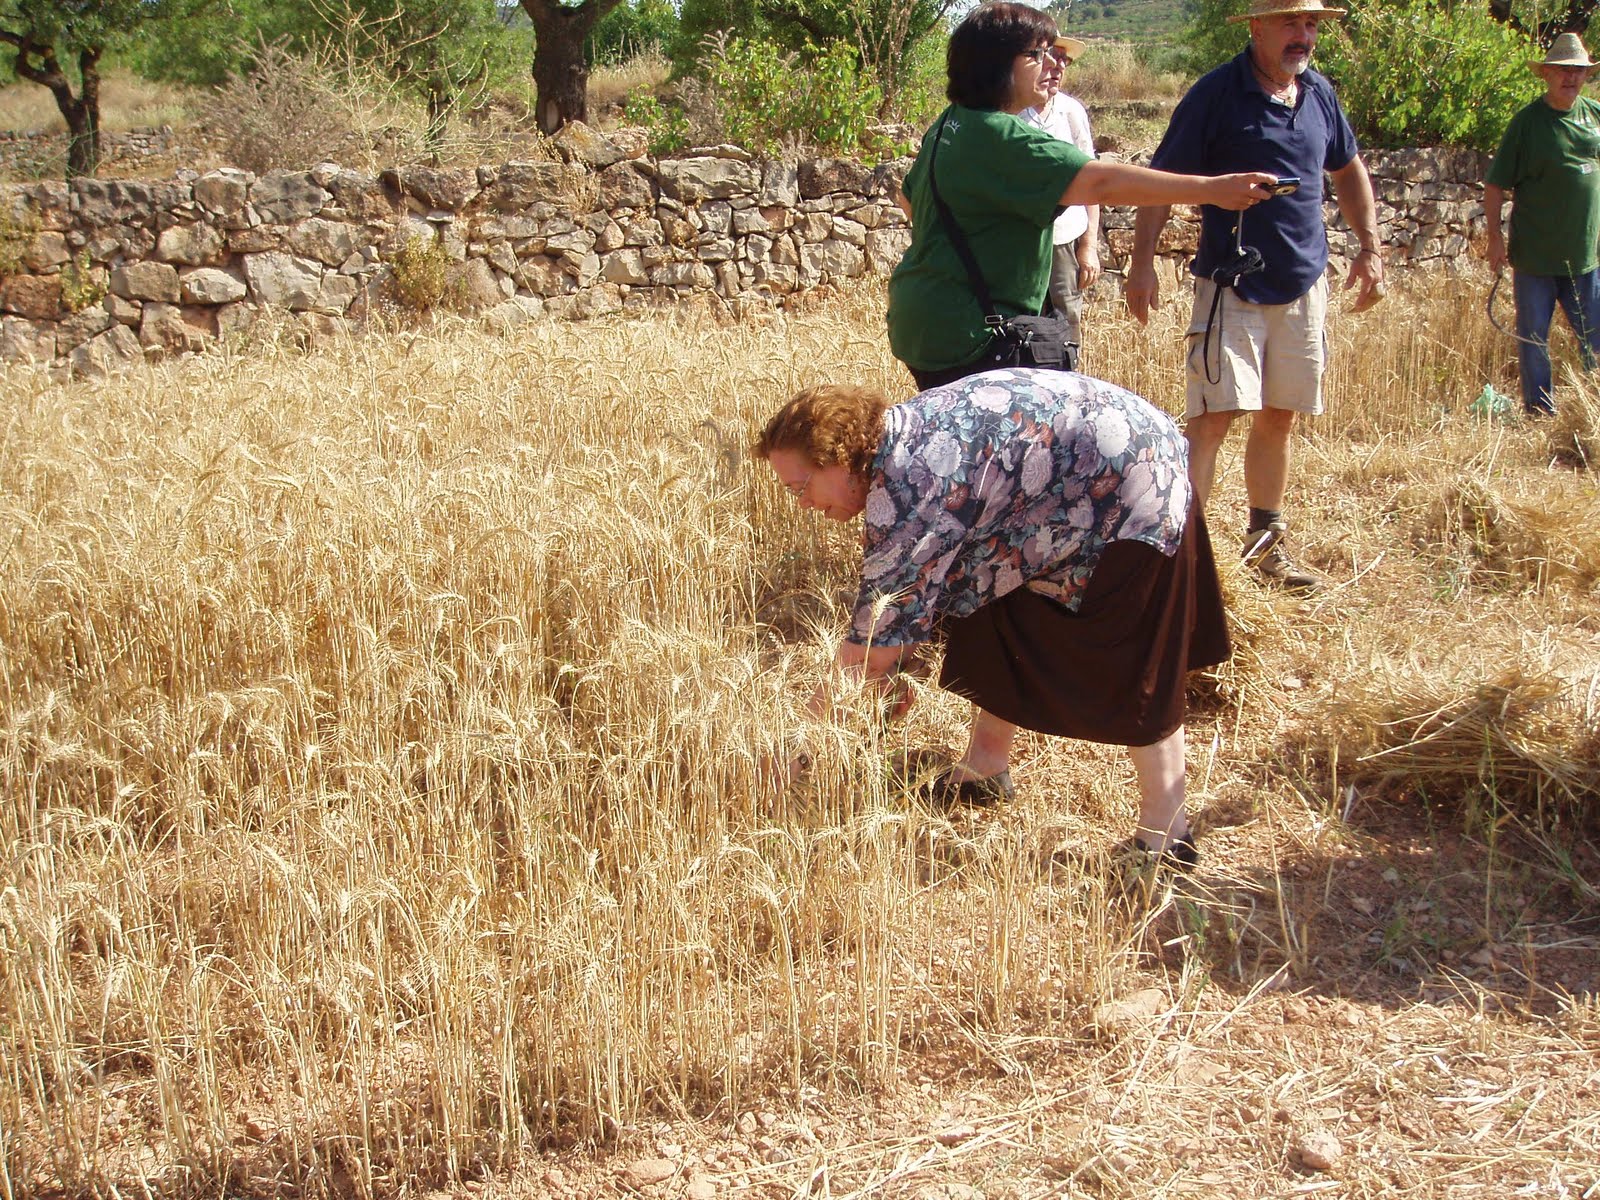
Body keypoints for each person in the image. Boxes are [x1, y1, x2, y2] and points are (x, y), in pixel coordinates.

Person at [753, 368, 1232, 867]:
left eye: (800, 487)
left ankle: (1166, 836)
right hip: (1069, 480)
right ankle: (985, 770)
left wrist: (796, 746)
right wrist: (892, 670)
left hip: (1133, 485)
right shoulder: (896, 445)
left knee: (1136, 660)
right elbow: (905, 615)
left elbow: (871, 650)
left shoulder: (906, 489)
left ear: (839, 459)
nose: (804, 504)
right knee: (995, 609)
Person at [1125, 0, 1384, 594]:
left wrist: (1370, 247)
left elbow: (1348, 171)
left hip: (1303, 283)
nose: (1304, 36)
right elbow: (1163, 183)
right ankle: (1180, 562)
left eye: (1312, 25)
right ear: (1258, 27)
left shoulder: (1319, 94)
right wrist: (1141, 264)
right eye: (1292, 23)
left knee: (1278, 417)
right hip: (1231, 285)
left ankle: (1266, 550)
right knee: (1211, 419)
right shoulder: (1216, 94)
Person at [889, 1, 1281, 393]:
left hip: (923, 318)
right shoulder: (1004, 138)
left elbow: (910, 201)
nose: (1049, 64)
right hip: (968, 334)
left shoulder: (951, 121)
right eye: (1036, 53)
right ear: (996, 63)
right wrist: (1212, 189)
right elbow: (1101, 183)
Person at [1484, 33, 1600, 418]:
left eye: (1578, 71)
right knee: (1533, 340)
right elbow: (1496, 185)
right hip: (1534, 257)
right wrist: (1495, 241)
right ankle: (1539, 414)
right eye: (1564, 70)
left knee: (1595, 340)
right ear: (1547, 74)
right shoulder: (1527, 124)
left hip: (1585, 257)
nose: (1571, 78)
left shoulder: (1595, 116)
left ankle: (1594, 412)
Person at [1020, 35, 1102, 366]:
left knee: (1067, 318)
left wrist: (1089, 246)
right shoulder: (1011, 112)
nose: (1057, 68)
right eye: (1050, 59)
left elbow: (1092, 179)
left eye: (1064, 62)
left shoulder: (1071, 112)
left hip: (1065, 239)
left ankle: (1070, 385)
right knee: (1023, 320)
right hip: (1021, 241)